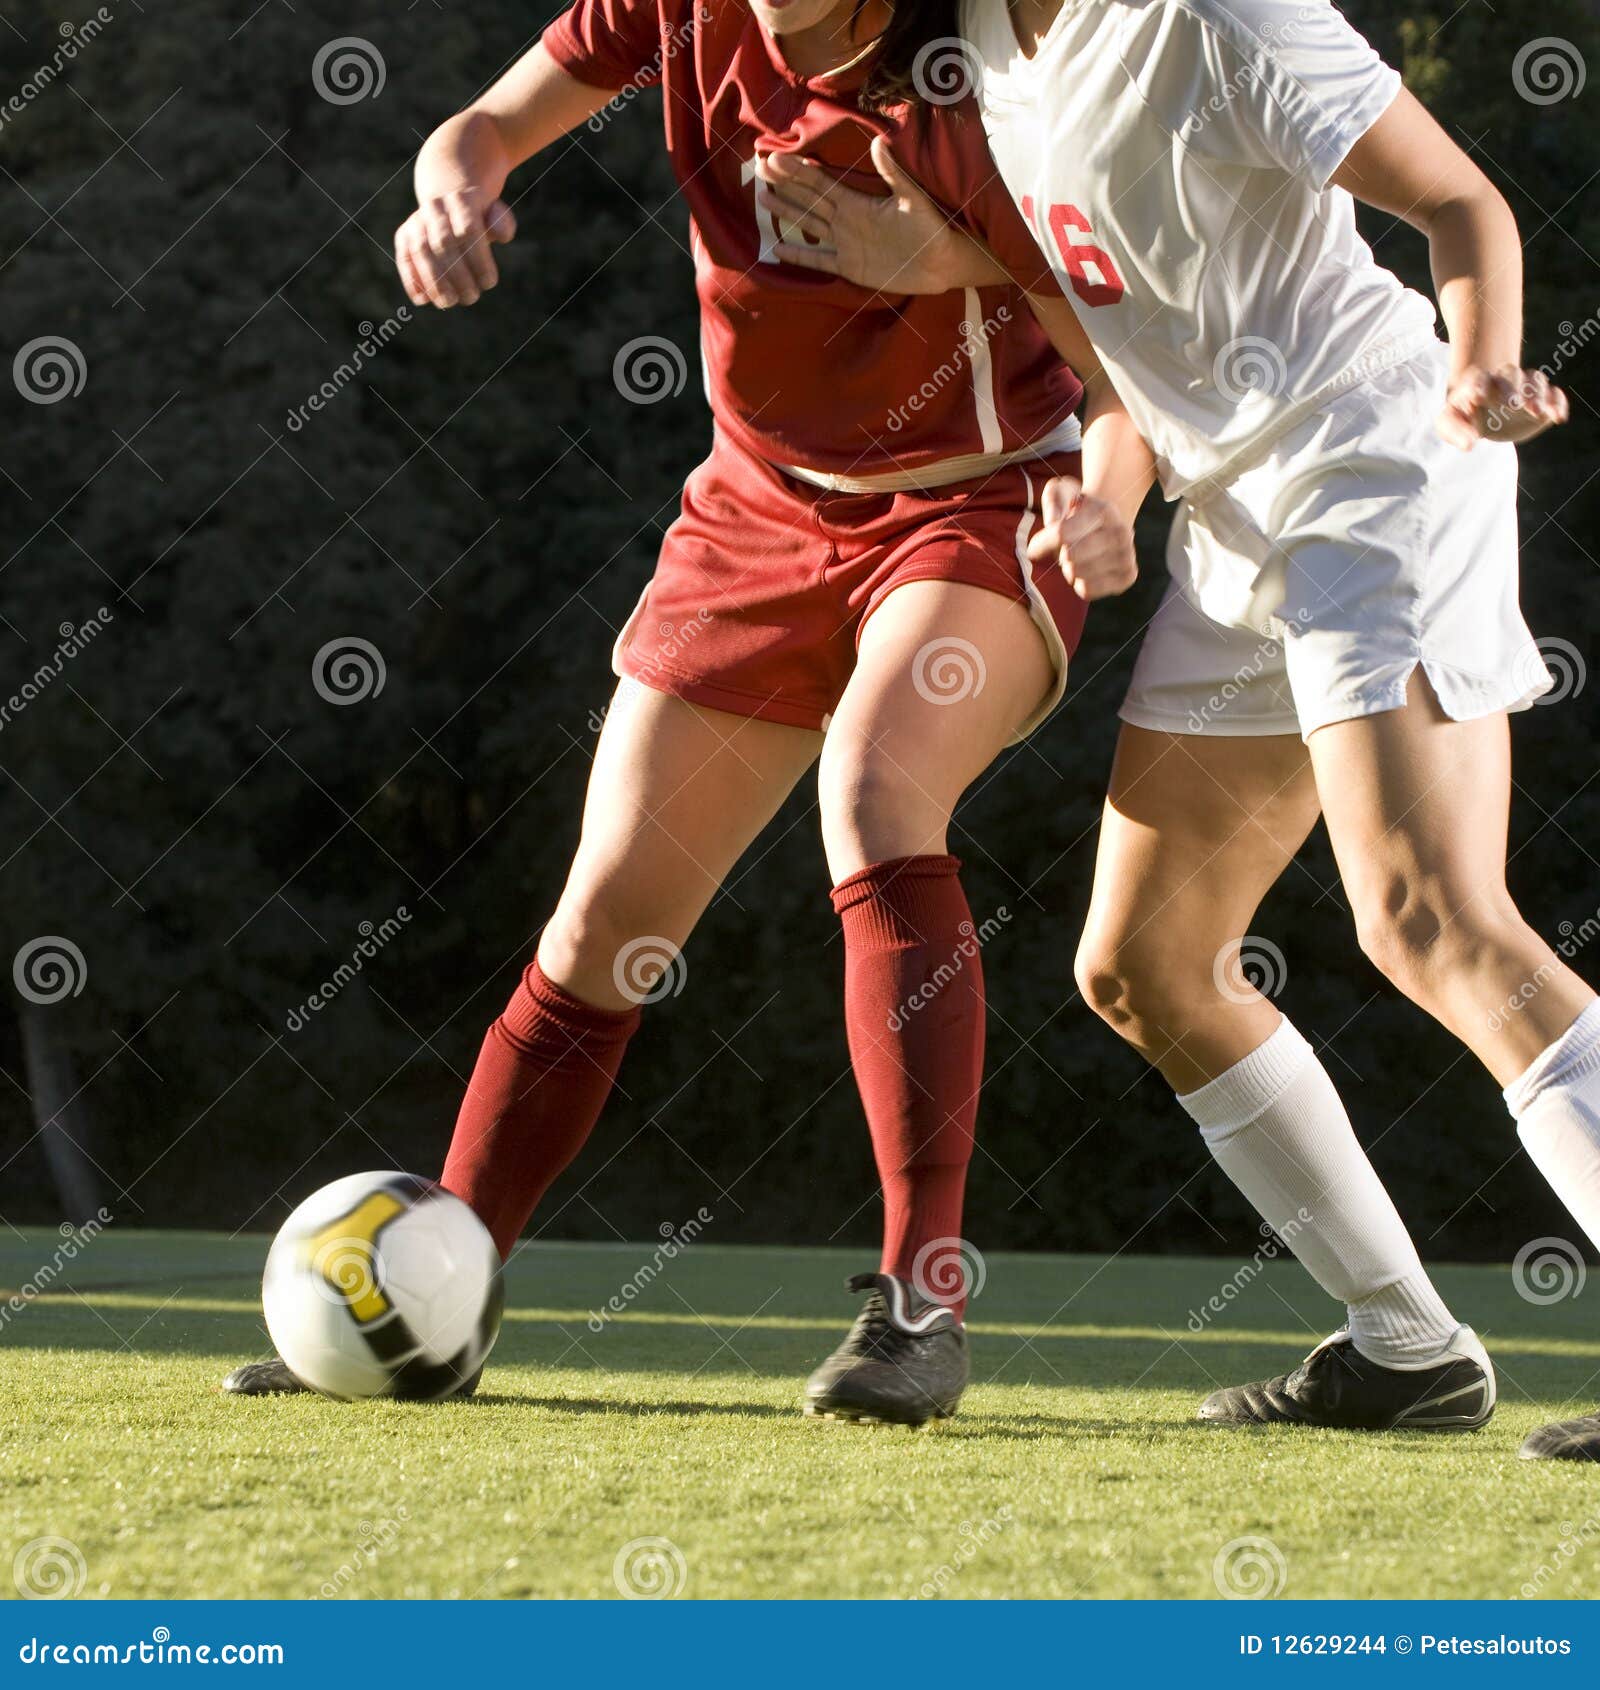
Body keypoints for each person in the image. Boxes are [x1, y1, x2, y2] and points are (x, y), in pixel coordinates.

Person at [221, 0, 1148, 1425]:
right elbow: (483, 129)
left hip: (988, 494)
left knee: (876, 792)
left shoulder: (995, 54)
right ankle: (440, 1294)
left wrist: (1095, 472)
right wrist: (452, 190)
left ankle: (922, 1307)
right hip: (758, 508)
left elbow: (1139, 327)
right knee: (604, 921)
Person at [758, 0, 1600, 1459]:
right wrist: (1107, 494)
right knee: (1143, 962)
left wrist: (1483, 362)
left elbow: (1463, 199)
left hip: (1376, 467)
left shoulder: (1214, 12)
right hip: (1235, 520)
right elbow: (1115, 344)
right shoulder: (972, 51)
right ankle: (1408, 1346)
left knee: (1429, 919)